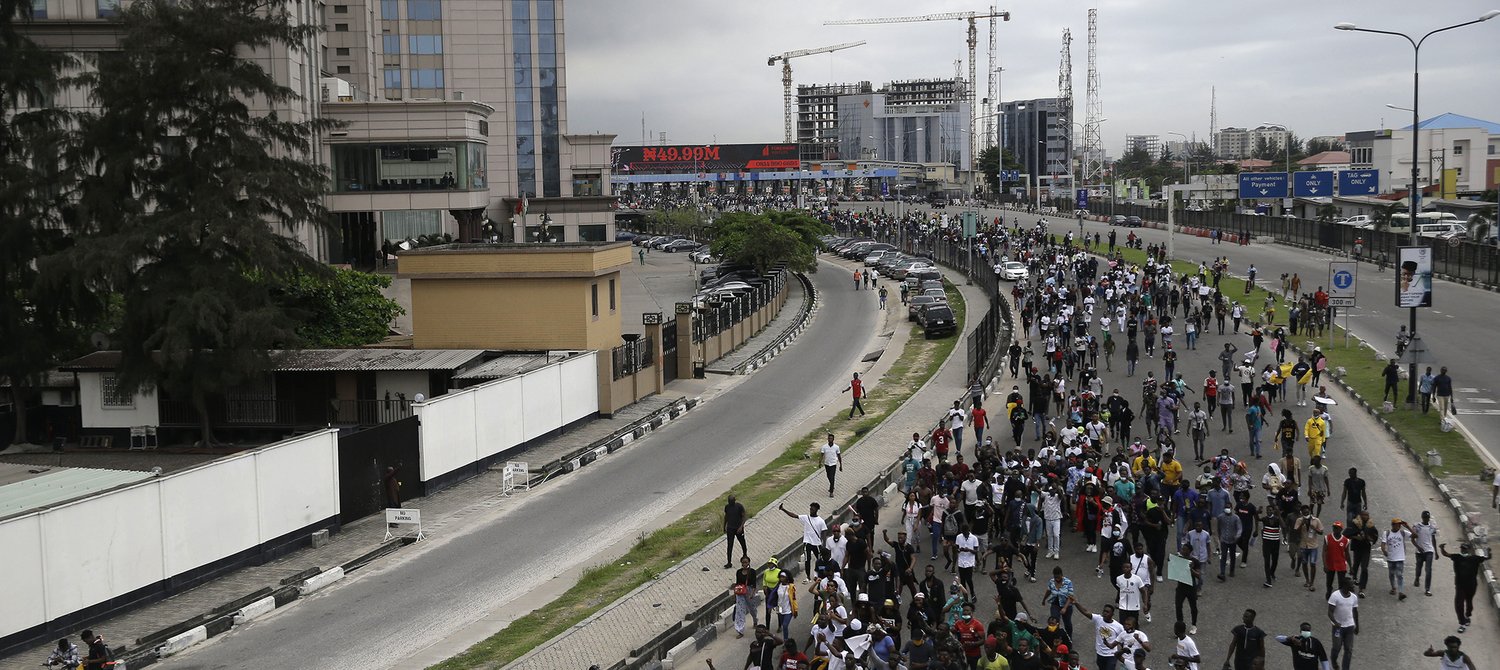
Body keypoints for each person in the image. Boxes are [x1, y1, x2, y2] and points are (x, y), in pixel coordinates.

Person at [1438, 542, 1488, 633]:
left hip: (1471, 585)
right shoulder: (1457, 557)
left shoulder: (1475, 558)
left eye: (1465, 548)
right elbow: (1446, 554)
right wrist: (1442, 548)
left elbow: (1486, 558)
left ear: (1468, 549)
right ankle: (1462, 623)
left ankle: (1468, 616)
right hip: (1460, 585)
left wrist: (1488, 551)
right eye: (1462, 548)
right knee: (1459, 604)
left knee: (1469, 602)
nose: (1463, 550)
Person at [1068, 598, 1124, 670]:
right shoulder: (1098, 619)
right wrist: (1076, 603)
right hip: (1100, 654)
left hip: (1111, 655)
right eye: (1104, 611)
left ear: (1112, 614)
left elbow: (1123, 640)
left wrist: (1124, 654)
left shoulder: (1118, 627)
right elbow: (1085, 612)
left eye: (1107, 612)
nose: (1105, 613)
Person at [779, 502, 827, 579]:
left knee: (820, 560)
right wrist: (783, 509)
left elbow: (824, 532)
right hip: (807, 542)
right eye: (810, 508)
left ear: (817, 510)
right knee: (807, 560)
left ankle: (821, 573)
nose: (811, 510)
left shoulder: (820, 521)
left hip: (817, 543)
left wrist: (824, 544)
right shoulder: (806, 518)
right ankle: (808, 576)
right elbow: (794, 515)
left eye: (813, 508)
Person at [1327, 578, 1359, 670]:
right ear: (1345, 585)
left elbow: (1355, 612)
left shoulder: (1354, 597)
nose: (1353, 586)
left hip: (1350, 626)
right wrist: (1335, 622)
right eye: (1351, 585)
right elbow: (1330, 612)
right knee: (1336, 647)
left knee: (1348, 650)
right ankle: (1333, 660)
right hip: (1338, 627)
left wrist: (1357, 626)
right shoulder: (1335, 596)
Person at [1382, 517, 1413, 600]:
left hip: (1400, 557)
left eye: (1400, 524)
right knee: (1391, 573)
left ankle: (1401, 592)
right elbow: (1383, 543)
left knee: (1399, 575)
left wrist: (1408, 526)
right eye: (1397, 524)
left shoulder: (1403, 532)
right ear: (1393, 525)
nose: (1399, 526)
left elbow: (1415, 535)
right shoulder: (1387, 533)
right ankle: (1393, 587)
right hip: (1391, 557)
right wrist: (1384, 551)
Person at [1412, 510, 1439, 597]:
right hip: (1419, 552)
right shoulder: (1417, 526)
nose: (1426, 519)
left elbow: (1433, 539)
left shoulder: (1432, 528)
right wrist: (1418, 547)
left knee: (1428, 570)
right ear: (1422, 518)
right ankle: (1417, 578)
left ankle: (1427, 589)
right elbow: (1412, 539)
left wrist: (1436, 551)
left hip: (1429, 551)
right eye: (1425, 517)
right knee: (1419, 568)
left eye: (1427, 518)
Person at [732, 556, 760, 637]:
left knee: (752, 608)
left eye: (746, 562)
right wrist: (735, 593)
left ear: (749, 562)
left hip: (749, 591)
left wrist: (752, 593)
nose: (744, 564)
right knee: (740, 611)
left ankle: (755, 620)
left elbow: (754, 583)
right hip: (740, 591)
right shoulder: (738, 572)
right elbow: (737, 583)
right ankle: (740, 629)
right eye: (743, 562)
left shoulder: (752, 572)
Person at [723, 494, 748, 569]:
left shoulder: (739, 506)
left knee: (742, 542)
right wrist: (724, 526)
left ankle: (745, 555)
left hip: (738, 528)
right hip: (730, 528)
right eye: (729, 501)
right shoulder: (727, 507)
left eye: (731, 501)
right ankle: (729, 562)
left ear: (734, 500)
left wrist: (741, 526)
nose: (730, 502)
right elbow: (726, 517)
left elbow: (744, 516)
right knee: (729, 545)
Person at [820, 433, 843, 497]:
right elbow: (822, 455)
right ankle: (832, 485)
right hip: (827, 463)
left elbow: (839, 456)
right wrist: (820, 462)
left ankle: (831, 491)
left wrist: (841, 465)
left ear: (833, 439)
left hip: (833, 464)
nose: (830, 439)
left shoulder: (836, 447)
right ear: (827, 439)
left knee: (832, 477)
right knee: (828, 476)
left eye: (831, 438)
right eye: (829, 438)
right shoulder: (824, 447)